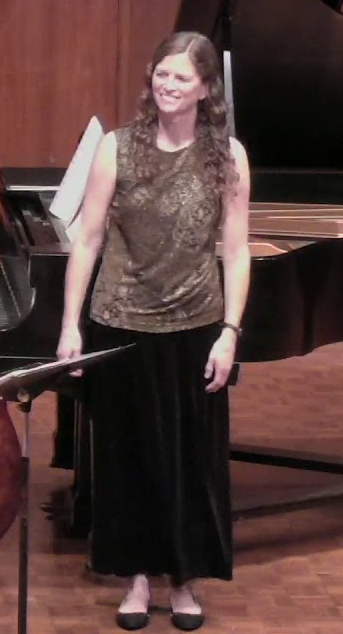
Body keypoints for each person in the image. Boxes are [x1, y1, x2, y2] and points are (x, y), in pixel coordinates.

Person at [56, 31, 251, 632]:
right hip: (122, 322)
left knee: (191, 461)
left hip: (195, 327)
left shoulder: (229, 157)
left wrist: (230, 332)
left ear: (204, 90)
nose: (168, 86)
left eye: (181, 78)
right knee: (129, 459)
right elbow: (86, 239)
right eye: (161, 75)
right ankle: (136, 579)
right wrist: (70, 326)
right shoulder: (118, 148)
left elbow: (238, 251)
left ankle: (184, 580)